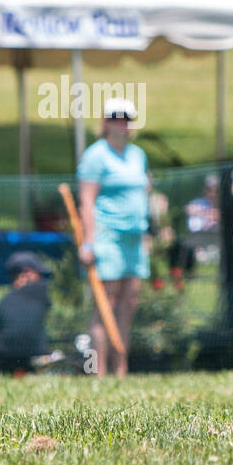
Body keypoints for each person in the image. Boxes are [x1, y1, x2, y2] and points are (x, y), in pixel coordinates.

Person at [77, 97, 150, 377]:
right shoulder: (95, 156)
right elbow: (87, 202)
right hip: (106, 238)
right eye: (116, 117)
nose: (122, 123)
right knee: (104, 305)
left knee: (129, 303)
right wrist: (88, 242)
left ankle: (121, 368)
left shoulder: (138, 155)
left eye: (126, 118)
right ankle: (98, 371)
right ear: (106, 122)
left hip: (134, 239)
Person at [0, 252, 53, 376]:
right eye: (39, 274)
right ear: (27, 273)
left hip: (5, 355)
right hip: (37, 355)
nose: (42, 279)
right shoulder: (43, 293)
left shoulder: (5, 300)